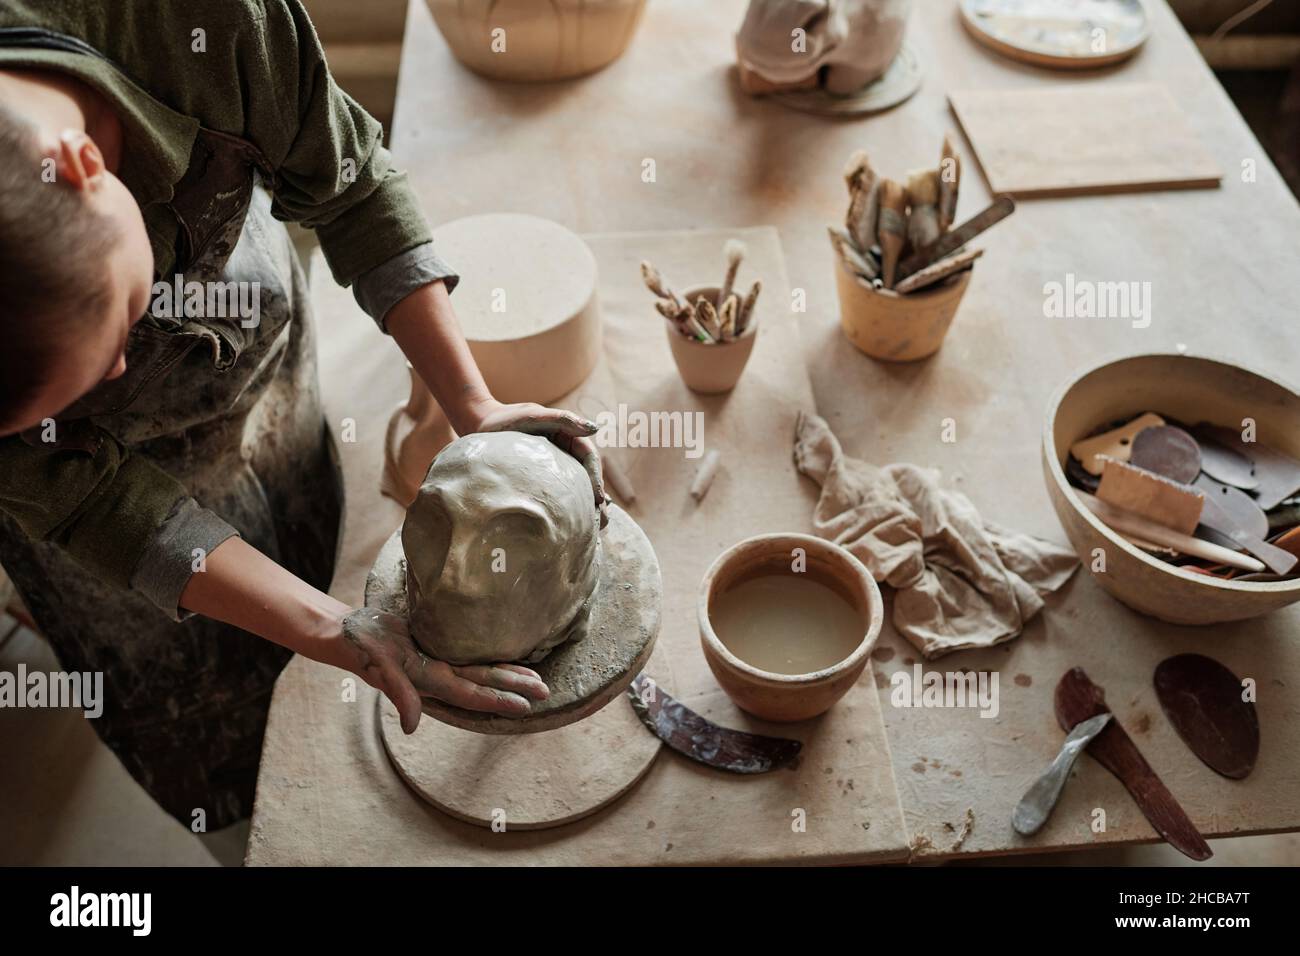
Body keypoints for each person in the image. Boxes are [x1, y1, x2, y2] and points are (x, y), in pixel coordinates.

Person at [0, 0, 606, 830]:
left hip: (255, 361)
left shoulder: (196, 24)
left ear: (80, 165)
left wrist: (475, 404)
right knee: (225, 750)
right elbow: (90, 500)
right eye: (65, 398)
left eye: (122, 317)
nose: (116, 373)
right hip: (115, 548)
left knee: (326, 533)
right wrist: (337, 632)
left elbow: (351, 191)